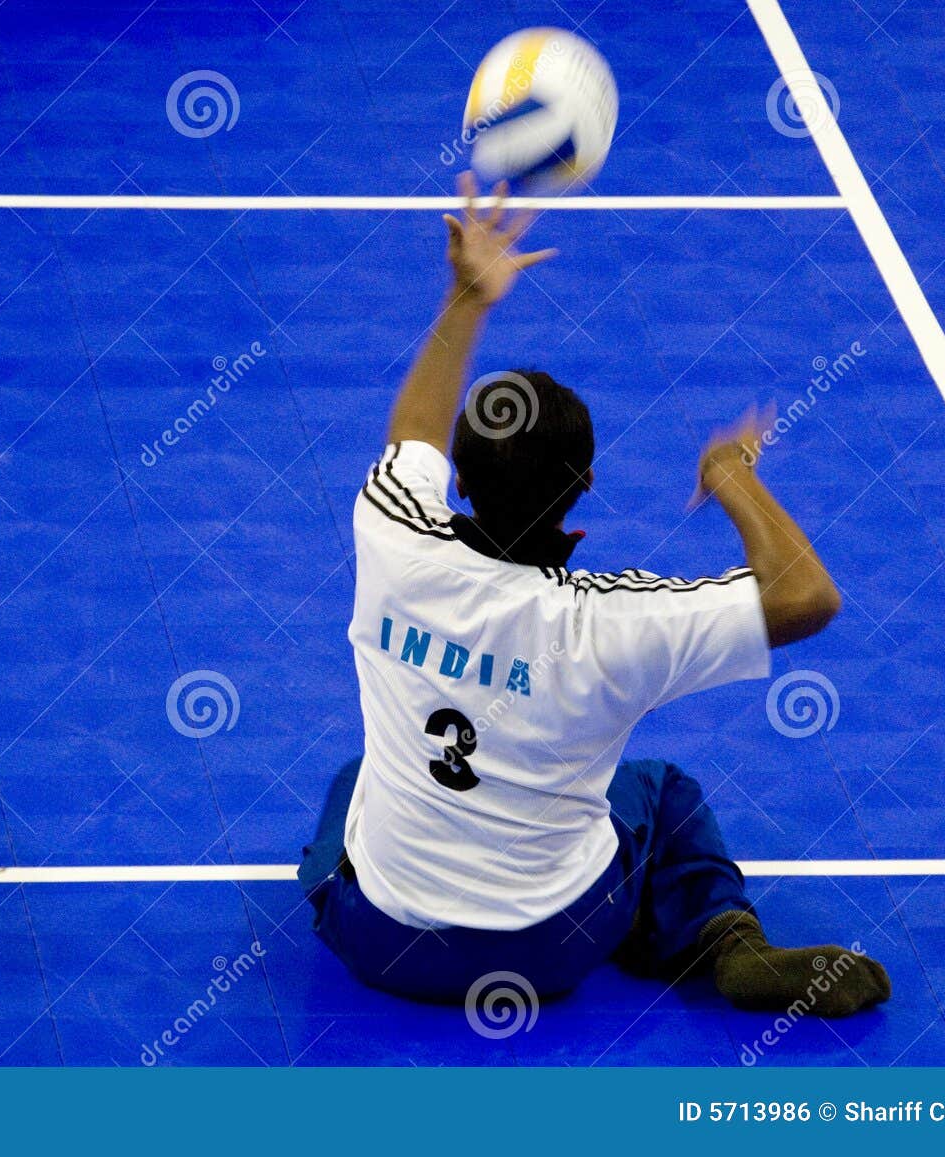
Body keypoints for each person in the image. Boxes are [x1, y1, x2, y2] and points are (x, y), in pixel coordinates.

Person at [297, 174, 890, 1017]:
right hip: (555, 947)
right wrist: (730, 477)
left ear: (458, 478)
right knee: (663, 792)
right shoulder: (617, 621)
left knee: (355, 782)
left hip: (384, 942)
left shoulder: (393, 534)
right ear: (585, 486)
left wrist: (466, 299)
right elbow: (807, 598)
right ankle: (728, 940)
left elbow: (411, 436)